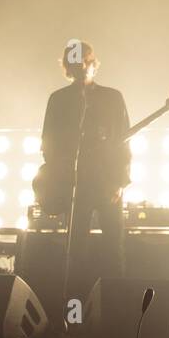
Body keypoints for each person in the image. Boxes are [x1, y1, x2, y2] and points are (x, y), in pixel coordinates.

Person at [34, 40, 131, 311]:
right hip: (74, 184)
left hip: (107, 181)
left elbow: (124, 141)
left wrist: (120, 181)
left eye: (87, 61)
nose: (84, 67)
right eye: (77, 62)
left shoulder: (112, 97)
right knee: (76, 250)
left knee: (114, 248)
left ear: (94, 63)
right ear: (69, 67)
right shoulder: (59, 99)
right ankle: (73, 316)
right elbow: (48, 141)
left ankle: (115, 312)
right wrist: (59, 174)